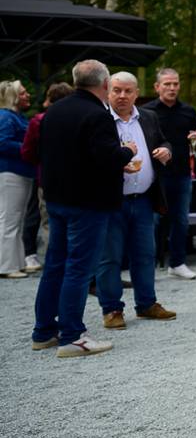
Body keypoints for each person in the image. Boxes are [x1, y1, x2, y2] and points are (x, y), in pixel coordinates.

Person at [32, 60, 135, 357]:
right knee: (78, 267)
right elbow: (108, 158)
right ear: (104, 85)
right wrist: (128, 150)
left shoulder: (54, 111)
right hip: (88, 203)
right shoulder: (97, 115)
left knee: (55, 264)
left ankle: (43, 331)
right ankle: (72, 335)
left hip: (57, 199)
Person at [97, 72, 177, 329]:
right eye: (117, 90)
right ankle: (111, 309)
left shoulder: (149, 117)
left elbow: (163, 141)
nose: (122, 96)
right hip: (112, 200)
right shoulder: (99, 119)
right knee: (110, 258)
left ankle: (146, 304)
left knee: (144, 254)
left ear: (137, 93)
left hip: (143, 198)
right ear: (108, 91)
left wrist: (167, 150)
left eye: (127, 91)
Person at [143, 68, 196, 280]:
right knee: (152, 221)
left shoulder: (188, 111)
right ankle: (146, 265)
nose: (172, 88)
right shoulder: (146, 111)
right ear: (157, 86)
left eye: (175, 84)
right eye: (167, 84)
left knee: (181, 220)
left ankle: (177, 263)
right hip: (154, 174)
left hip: (181, 173)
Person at [20, 82, 73, 273]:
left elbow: (28, 152)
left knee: (50, 223)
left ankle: (56, 263)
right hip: (77, 179)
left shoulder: (39, 120)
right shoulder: (81, 117)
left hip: (48, 179)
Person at [1, 80, 35, 279]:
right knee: (9, 219)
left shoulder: (14, 116)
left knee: (14, 219)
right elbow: (2, 142)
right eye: (22, 93)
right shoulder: (7, 117)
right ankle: (6, 265)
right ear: (13, 97)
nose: (27, 95)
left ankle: (16, 261)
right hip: (11, 172)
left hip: (18, 172)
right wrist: (27, 148)